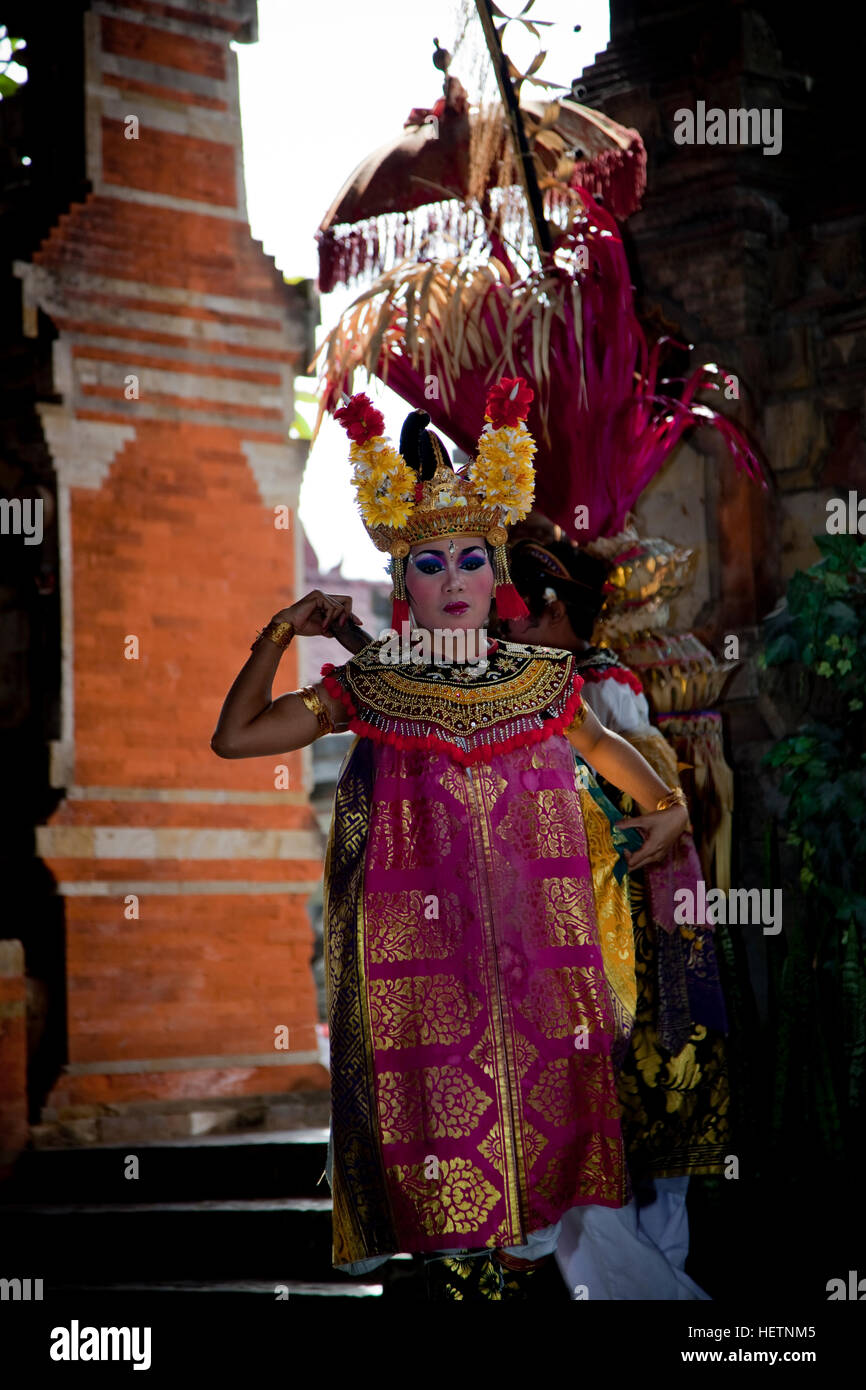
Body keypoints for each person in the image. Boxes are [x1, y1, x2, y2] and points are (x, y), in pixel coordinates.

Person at [211, 378, 691, 1300]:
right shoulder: (373, 688)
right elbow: (236, 738)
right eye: (430, 564)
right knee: (443, 1224)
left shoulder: (543, 682)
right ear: (403, 581)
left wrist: (667, 808)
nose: (456, 579)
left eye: (473, 558)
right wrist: (278, 631)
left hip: (539, 971)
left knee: (539, 1224)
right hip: (426, 985)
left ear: (495, 570)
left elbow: (610, 749)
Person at [502, 537, 731, 1299]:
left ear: (552, 610)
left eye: (511, 603)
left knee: (622, 1164)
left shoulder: (588, 701)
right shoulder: (588, 692)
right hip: (631, 962)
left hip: (623, 962)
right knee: (629, 1172)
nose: (499, 621)